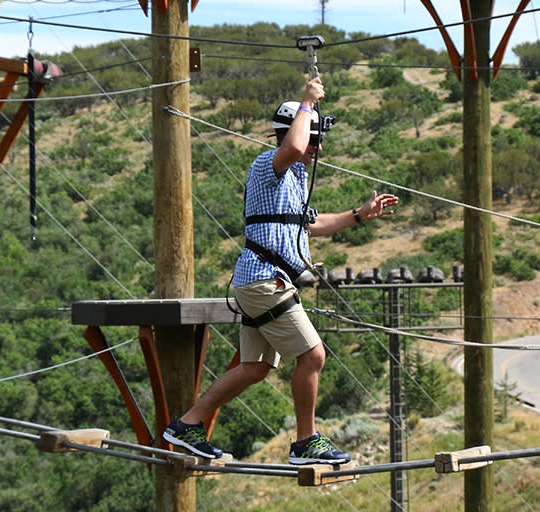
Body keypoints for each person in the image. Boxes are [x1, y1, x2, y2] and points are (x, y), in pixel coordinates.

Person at [163, 76, 400, 464]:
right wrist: (308, 101)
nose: (317, 148)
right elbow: (293, 145)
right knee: (313, 357)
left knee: (254, 368)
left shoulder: (295, 179)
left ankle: (187, 425)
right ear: (293, 132)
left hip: (262, 281)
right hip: (264, 281)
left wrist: (360, 215)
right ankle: (306, 442)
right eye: (314, 139)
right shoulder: (268, 166)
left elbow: (311, 223)